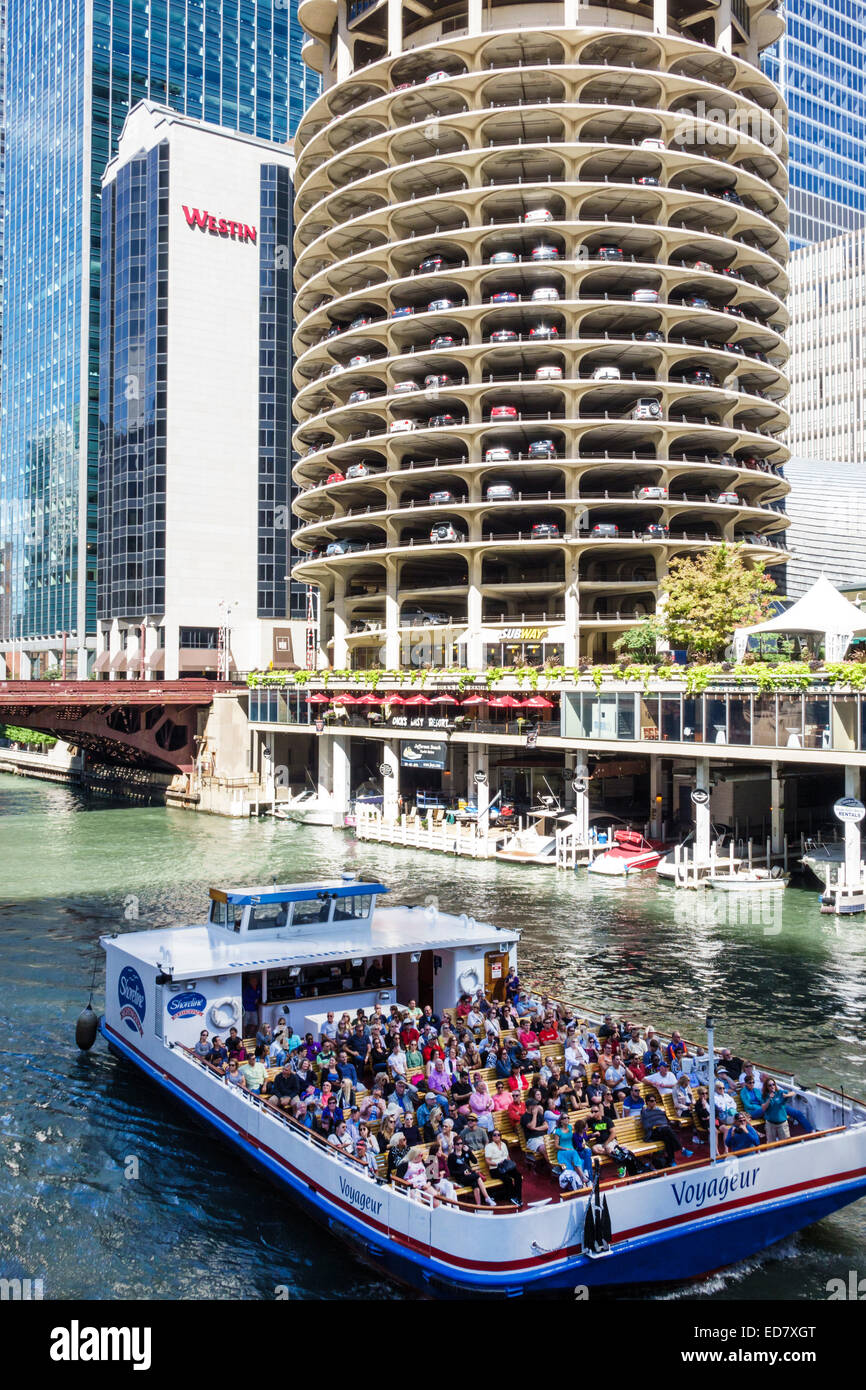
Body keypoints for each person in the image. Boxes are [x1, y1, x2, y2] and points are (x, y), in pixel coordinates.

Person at [641, 1097, 692, 1167]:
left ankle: (672, 1160)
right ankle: (682, 1149)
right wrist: (655, 1124)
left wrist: (660, 1124)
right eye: (652, 1101)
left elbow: (664, 1120)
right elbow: (646, 1126)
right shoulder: (645, 1112)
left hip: (662, 1130)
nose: (654, 1102)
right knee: (667, 1130)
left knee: (667, 1138)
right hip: (653, 1132)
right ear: (647, 1102)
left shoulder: (658, 1110)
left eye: (655, 1101)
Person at [448, 1136, 496, 1206]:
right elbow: (451, 1172)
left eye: (461, 1143)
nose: (460, 1145)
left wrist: (469, 1151)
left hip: (470, 1175)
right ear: (454, 1145)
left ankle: (478, 1206)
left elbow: (475, 1161)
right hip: (461, 1178)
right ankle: (487, 1198)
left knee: (475, 1184)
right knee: (477, 1176)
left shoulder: (465, 1152)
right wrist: (462, 1173)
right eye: (457, 1144)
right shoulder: (452, 1156)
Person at [484, 1129, 523, 1205]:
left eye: (498, 1135)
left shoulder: (504, 1144)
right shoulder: (489, 1146)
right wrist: (497, 1163)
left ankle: (518, 1197)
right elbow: (488, 1161)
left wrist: (510, 1165)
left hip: (505, 1166)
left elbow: (508, 1157)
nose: (497, 1136)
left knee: (518, 1176)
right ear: (492, 1137)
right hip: (495, 1168)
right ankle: (512, 1196)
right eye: (494, 1135)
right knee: (507, 1180)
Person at [761, 1078, 794, 1143]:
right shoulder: (764, 1096)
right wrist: (769, 1099)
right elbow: (763, 1108)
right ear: (766, 1087)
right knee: (771, 1144)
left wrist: (787, 1095)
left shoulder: (780, 1093)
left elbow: (793, 1093)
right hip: (770, 1124)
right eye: (770, 1085)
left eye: (773, 1084)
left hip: (782, 1124)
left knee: (785, 1143)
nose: (772, 1086)